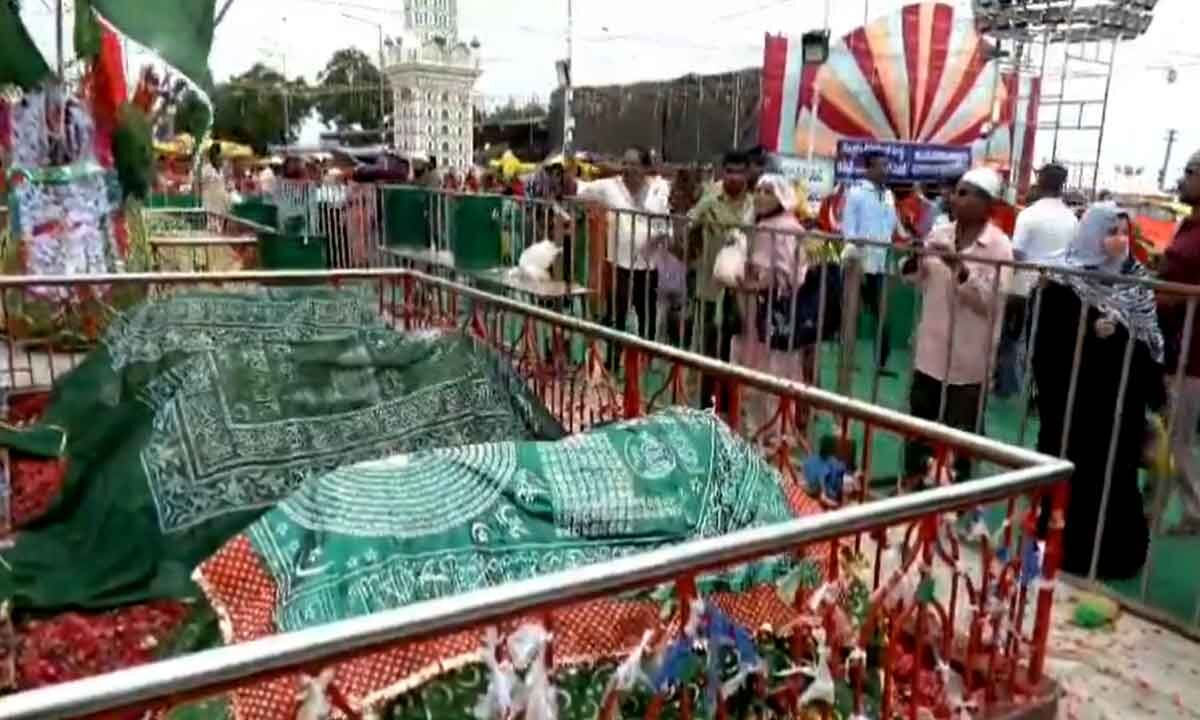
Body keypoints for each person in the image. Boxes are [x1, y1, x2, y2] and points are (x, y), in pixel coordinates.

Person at [1033, 203, 1165, 578]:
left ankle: (1113, 556)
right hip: (1074, 406)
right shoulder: (1061, 281)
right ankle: (1062, 549)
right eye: (1111, 232)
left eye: (1124, 232)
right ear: (1091, 234)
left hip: (1121, 407)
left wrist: (1123, 340)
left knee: (1114, 476)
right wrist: (1092, 336)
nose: (1120, 240)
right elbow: (1048, 350)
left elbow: (1150, 344)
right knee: (1071, 475)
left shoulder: (1135, 282)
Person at [900, 167, 1013, 486]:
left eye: (964, 193)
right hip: (931, 350)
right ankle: (913, 485)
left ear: (987, 204)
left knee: (961, 434)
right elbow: (912, 278)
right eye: (955, 192)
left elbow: (990, 300)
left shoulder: (999, 247)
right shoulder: (939, 234)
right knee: (920, 427)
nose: (953, 198)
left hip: (969, 358)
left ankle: (956, 497)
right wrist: (914, 258)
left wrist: (958, 267)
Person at [571, 147, 670, 368]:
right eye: (625, 163)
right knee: (616, 315)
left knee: (647, 317)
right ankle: (613, 360)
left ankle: (645, 362)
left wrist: (657, 238)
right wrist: (566, 174)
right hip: (619, 265)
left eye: (634, 164)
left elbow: (666, 225)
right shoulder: (609, 187)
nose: (628, 168)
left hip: (648, 268)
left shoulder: (657, 192)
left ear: (644, 168)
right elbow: (580, 189)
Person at [735, 174, 810, 439]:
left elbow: (785, 273)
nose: (760, 196)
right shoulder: (763, 224)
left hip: (775, 309)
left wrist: (755, 285)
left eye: (768, 192)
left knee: (775, 373)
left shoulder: (783, 228)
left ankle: (777, 434)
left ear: (780, 196)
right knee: (760, 370)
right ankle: (763, 430)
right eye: (758, 190)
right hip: (762, 310)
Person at [996, 163, 1078, 397]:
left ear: (1040, 182)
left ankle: (1009, 387)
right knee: (1048, 342)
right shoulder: (1071, 218)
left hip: (1025, 287)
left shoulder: (1029, 215)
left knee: (1013, 337)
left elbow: (1017, 253)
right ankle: (1037, 391)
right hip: (1059, 289)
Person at [688, 151, 755, 409]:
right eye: (730, 171)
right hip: (710, 288)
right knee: (708, 349)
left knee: (735, 351)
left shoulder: (755, 206)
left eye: (740, 172)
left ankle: (728, 406)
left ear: (747, 174)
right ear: (722, 172)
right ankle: (706, 405)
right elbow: (689, 227)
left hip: (744, 292)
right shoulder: (709, 201)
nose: (734, 177)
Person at [1157, 148, 1200, 536]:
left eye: (1190, 172)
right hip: (1172, 345)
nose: (1183, 179)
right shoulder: (1188, 225)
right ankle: (1153, 504)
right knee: (1166, 432)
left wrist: (1161, 294)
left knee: (1178, 437)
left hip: (1192, 352)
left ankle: (1194, 508)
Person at [841, 150, 899, 375]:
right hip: (858, 262)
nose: (886, 170)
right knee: (852, 314)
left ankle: (881, 364)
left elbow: (892, 227)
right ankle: (847, 359)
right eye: (881, 165)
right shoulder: (856, 193)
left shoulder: (889, 195)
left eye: (887, 165)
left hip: (881, 263)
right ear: (869, 168)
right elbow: (848, 229)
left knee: (883, 315)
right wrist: (855, 259)